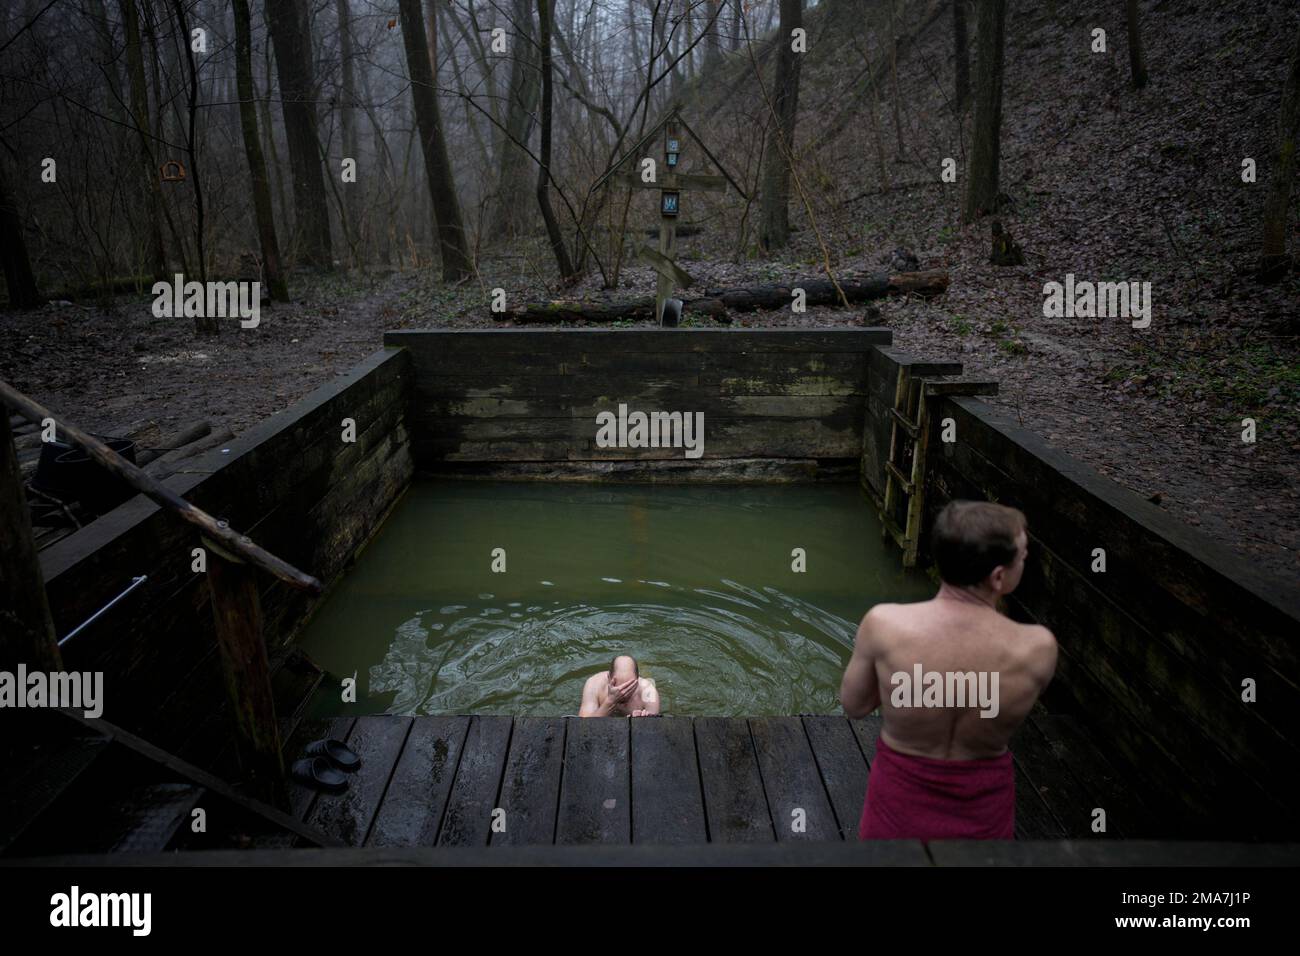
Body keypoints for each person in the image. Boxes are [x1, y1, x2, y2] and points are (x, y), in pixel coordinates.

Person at [840, 500, 1057, 840]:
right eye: (1023, 557)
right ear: (999, 577)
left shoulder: (884, 625)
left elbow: (854, 706)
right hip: (983, 805)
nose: (1025, 562)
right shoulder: (1037, 647)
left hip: (898, 804)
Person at [579, 654, 660, 717]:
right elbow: (582, 725)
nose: (623, 693)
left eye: (629, 687)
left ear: (637, 680)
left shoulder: (649, 690)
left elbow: (651, 729)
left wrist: (640, 721)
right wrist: (610, 702)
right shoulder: (594, 684)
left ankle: (644, 666)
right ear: (609, 678)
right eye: (618, 687)